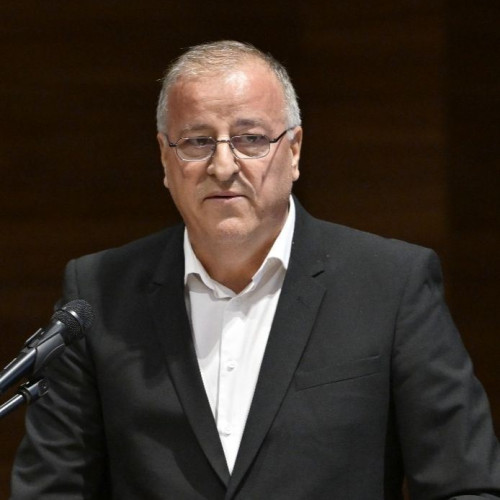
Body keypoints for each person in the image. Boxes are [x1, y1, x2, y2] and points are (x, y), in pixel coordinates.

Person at [10, 40, 500, 499]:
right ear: (165, 158)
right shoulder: (98, 295)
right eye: (198, 141)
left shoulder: (390, 284)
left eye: (251, 139)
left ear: (294, 150)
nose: (223, 166)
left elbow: (466, 485)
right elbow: (52, 490)